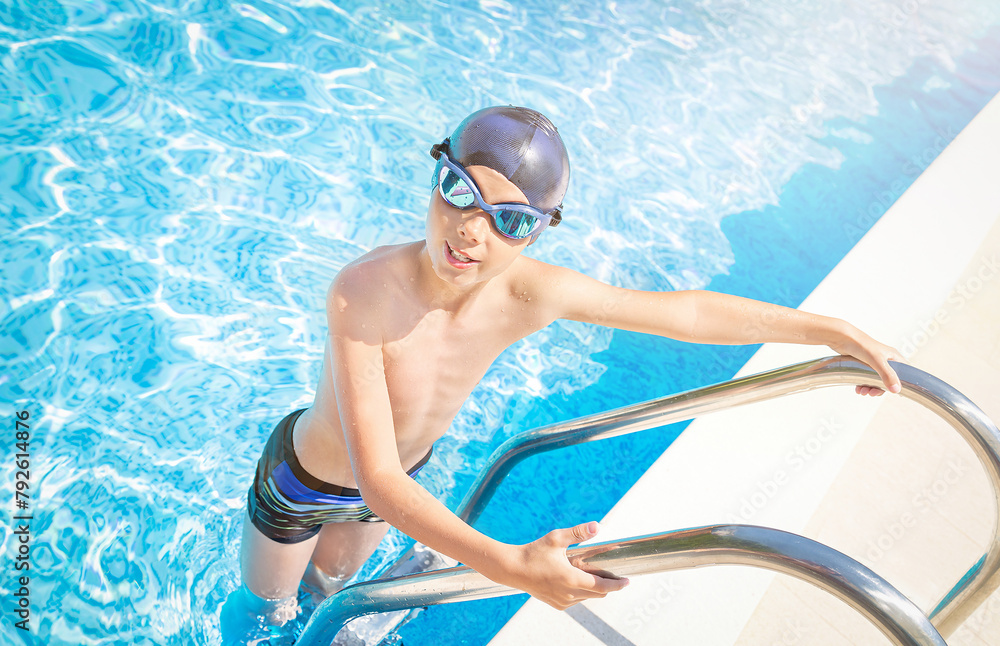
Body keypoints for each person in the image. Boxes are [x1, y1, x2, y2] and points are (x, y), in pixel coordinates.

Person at [236, 105, 902, 623]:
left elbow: (684, 313)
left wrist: (824, 329)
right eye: (459, 190)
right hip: (307, 484)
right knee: (267, 612)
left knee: (331, 591)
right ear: (437, 177)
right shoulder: (364, 290)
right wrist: (512, 566)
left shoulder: (531, 292)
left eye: (510, 222)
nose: (472, 229)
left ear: (540, 230)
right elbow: (373, 477)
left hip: (402, 482)